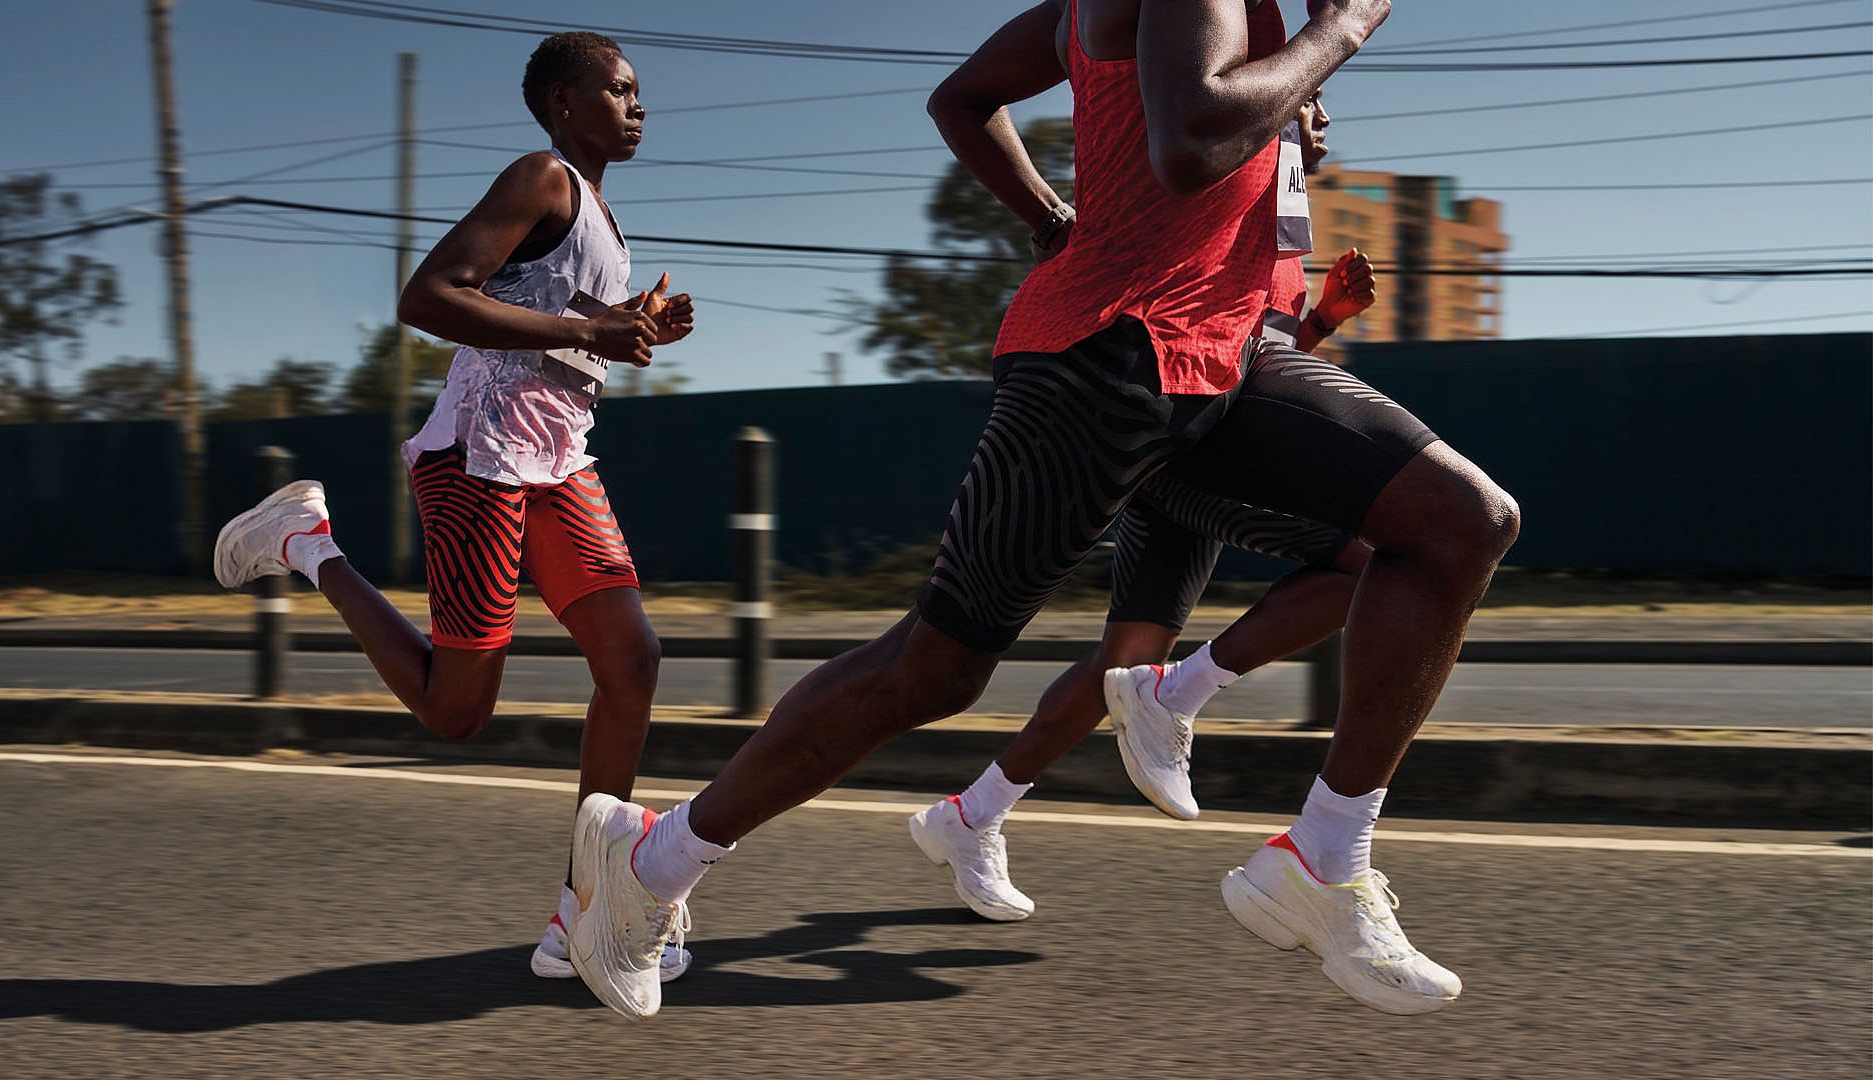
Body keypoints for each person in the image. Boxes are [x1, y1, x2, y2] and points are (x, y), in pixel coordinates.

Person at [575, 0, 1516, 1021]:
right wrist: (1338, 33)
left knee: (1458, 521)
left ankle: (1326, 855)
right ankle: (651, 863)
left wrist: (1280, 119)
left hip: (1232, 352)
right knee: (932, 670)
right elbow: (1192, 138)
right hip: (1109, 360)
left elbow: (983, 100)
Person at [209, 32, 699, 985]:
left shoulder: (599, 212)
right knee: (456, 713)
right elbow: (429, 295)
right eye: (621, 90)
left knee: (631, 661)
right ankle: (310, 544)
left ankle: (584, 915)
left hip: (556, 458)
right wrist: (587, 324)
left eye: (640, 94)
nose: (641, 107)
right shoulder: (543, 177)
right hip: (478, 454)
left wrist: (633, 324)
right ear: (563, 101)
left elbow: (564, 333)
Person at [908, 85, 1380, 923]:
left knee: (1118, 671)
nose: (1322, 121)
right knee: (1375, 564)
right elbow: (1186, 287)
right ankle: (1182, 692)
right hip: (1165, 402)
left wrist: (1322, 321)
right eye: (1313, 105)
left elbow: (1253, 332)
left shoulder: (1286, 202)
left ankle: (970, 815)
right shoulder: (1226, 158)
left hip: (1210, 407)